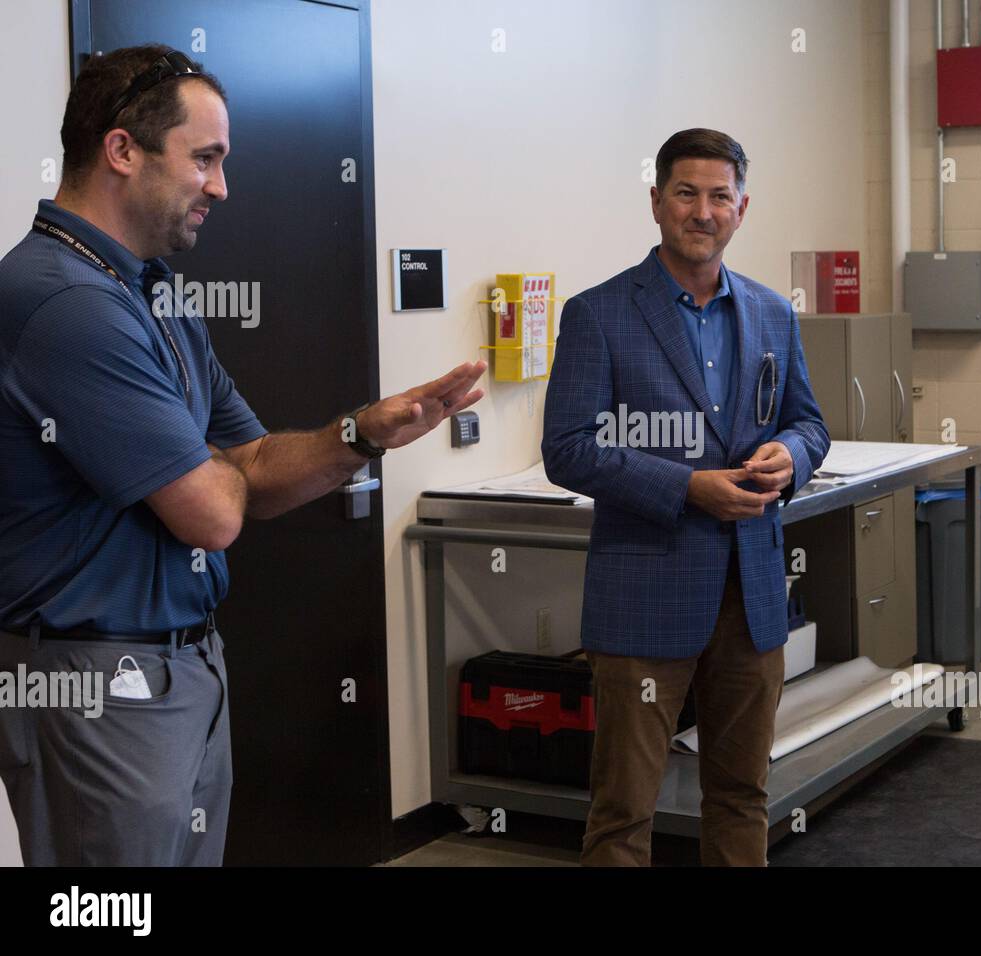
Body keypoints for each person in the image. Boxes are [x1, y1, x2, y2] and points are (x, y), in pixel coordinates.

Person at [0, 45, 486, 866]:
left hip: (183, 668)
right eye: (206, 159)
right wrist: (219, 471)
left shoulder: (151, 291)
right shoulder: (65, 302)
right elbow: (217, 512)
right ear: (122, 150)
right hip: (96, 680)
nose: (221, 187)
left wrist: (362, 432)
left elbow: (253, 463)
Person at [542, 128, 829, 866]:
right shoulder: (598, 313)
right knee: (623, 812)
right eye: (686, 193)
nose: (703, 211)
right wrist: (688, 487)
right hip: (645, 590)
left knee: (741, 796)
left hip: (752, 591)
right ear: (657, 202)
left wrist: (789, 458)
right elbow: (568, 448)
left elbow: (808, 422)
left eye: (719, 196)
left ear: (742, 208)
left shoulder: (771, 313)